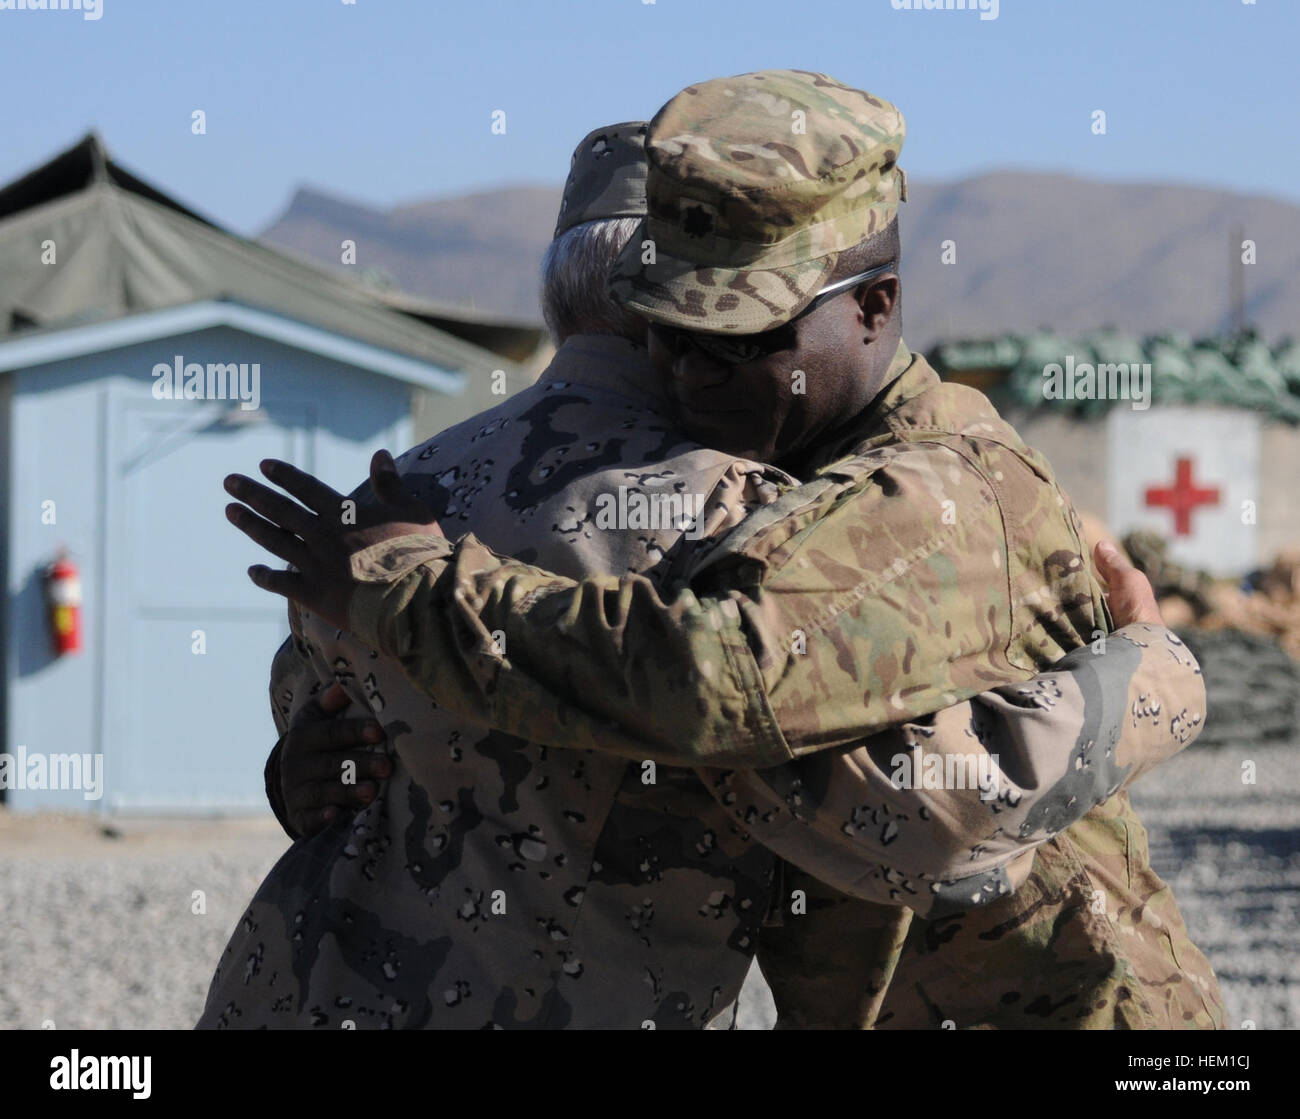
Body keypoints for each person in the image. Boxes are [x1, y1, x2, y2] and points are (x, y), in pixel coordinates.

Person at [221, 76, 1221, 1028]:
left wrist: (1155, 683)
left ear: (875, 306)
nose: (693, 368)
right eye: (670, 329)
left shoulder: (916, 493)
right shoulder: (749, 484)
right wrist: (310, 766)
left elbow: (737, 691)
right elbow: (330, 742)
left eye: (740, 337)